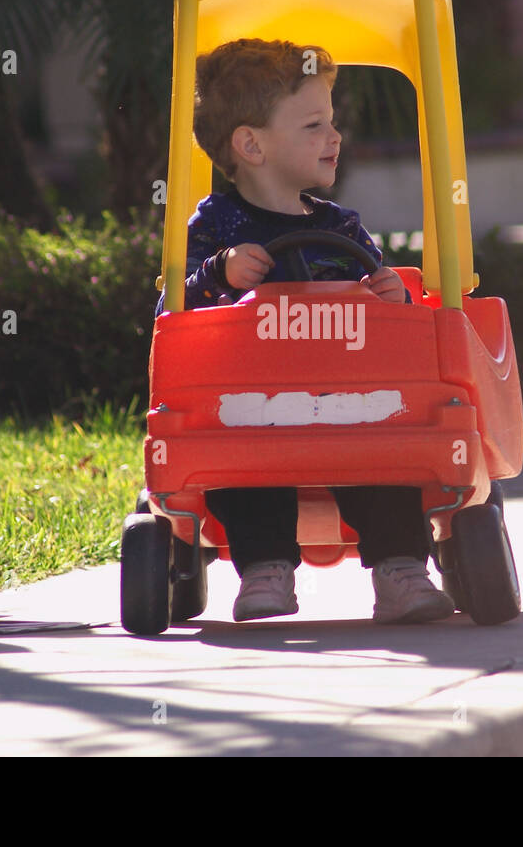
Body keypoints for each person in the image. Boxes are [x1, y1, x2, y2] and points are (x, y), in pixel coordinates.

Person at [154, 37, 455, 625]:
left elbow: (391, 303)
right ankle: (265, 565)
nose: (334, 137)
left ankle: (400, 568)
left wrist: (391, 294)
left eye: (333, 122)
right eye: (314, 124)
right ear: (251, 144)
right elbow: (172, 310)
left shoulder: (342, 227)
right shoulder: (216, 226)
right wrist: (218, 272)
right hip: (249, 403)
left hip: (348, 402)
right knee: (242, 464)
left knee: (385, 458)